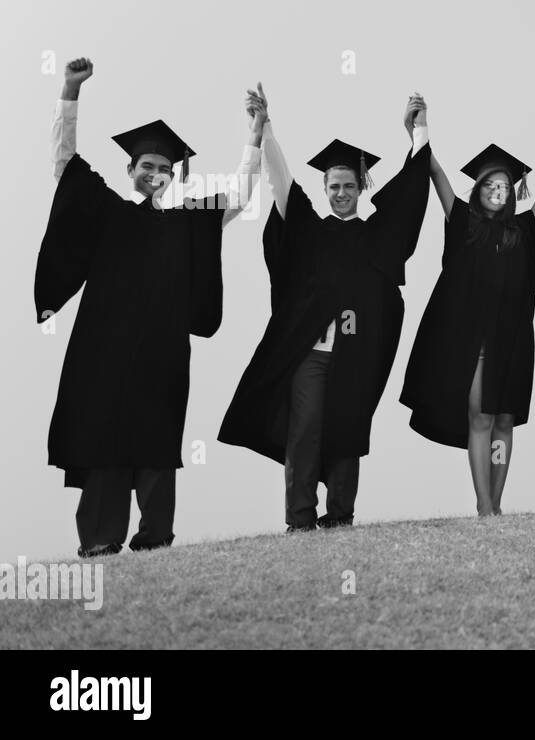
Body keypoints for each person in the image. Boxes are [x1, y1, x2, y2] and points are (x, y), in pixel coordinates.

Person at [37, 58, 262, 557]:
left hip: (161, 353)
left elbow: (243, 194)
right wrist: (70, 92)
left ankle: (156, 536)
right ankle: (99, 540)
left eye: (164, 168)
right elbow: (65, 166)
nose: (156, 174)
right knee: (103, 439)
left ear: (175, 173)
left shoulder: (189, 222)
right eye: (147, 167)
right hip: (102, 351)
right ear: (131, 170)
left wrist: (255, 135)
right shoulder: (110, 213)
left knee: (157, 441)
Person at [218, 86, 431, 533]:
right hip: (311, 355)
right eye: (333, 186)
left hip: (356, 355)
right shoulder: (310, 232)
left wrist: (418, 132)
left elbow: (411, 198)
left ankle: (340, 516)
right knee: (304, 431)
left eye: (349, 185)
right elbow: (281, 183)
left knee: (348, 432)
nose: (341, 193)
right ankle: (299, 519)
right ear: (325, 187)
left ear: (360, 186)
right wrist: (266, 127)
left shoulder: (376, 237)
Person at [401, 119, 535, 516]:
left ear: (512, 192)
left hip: (514, 343)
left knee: (504, 424)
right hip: (475, 344)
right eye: (488, 184)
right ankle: (484, 504)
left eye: (502, 185)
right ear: (478, 189)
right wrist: (417, 131)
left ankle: (497, 503)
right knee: (481, 419)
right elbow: (435, 172)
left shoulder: (524, 227)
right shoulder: (463, 223)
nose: (495, 190)